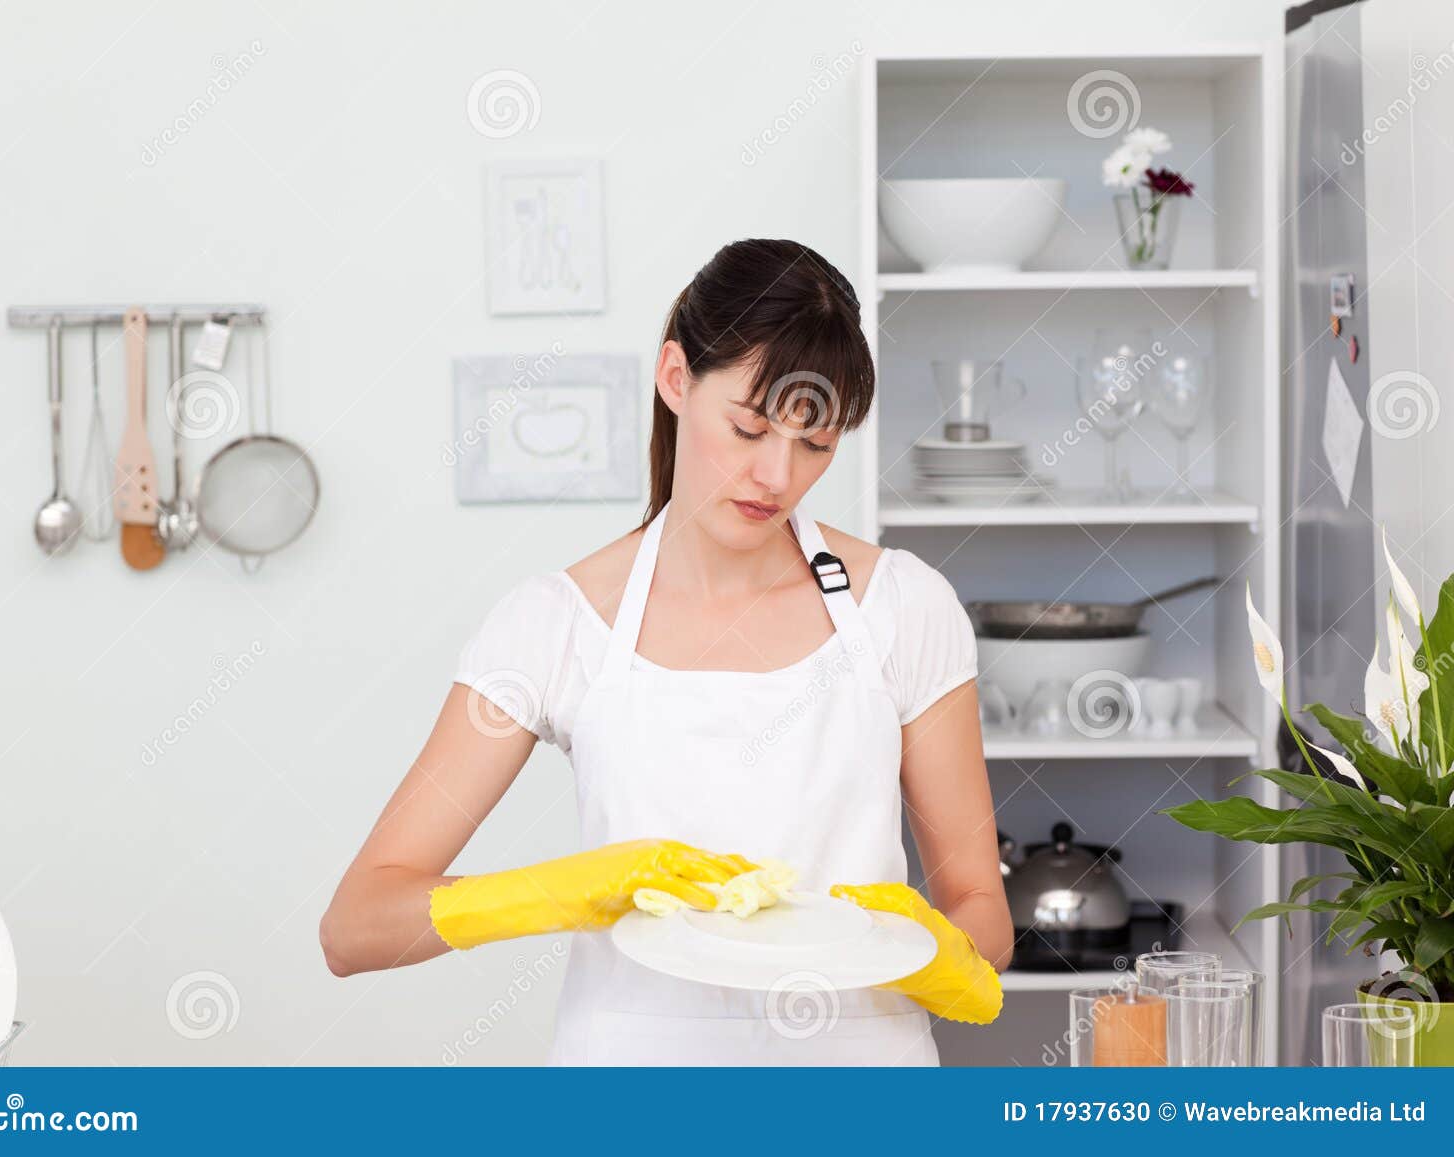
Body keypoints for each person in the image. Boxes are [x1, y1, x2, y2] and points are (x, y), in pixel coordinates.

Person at [320, 238, 1011, 1065]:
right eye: (749, 427)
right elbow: (355, 927)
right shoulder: (556, 624)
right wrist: (557, 891)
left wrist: (937, 954)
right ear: (677, 378)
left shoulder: (904, 607)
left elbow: (981, 909)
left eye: (815, 444)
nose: (776, 475)